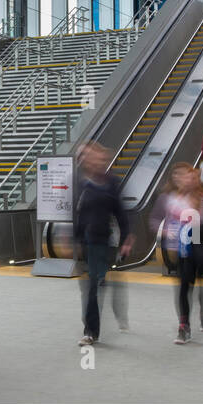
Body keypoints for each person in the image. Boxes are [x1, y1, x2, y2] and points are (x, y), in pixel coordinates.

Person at [72, 142, 132, 347]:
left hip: (101, 241)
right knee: (90, 288)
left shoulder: (111, 183)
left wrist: (126, 239)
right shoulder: (81, 184)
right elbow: (78, 214)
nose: (89, 159)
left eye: (93, 155)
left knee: (93, 287)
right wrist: (74, 239)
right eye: (85, 157)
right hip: (85, 243)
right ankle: (92, 324)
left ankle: (90, 331)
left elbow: (120, 213)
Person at [151, 162, 203, 344]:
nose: (182, 179)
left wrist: (200, 223)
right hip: (182, 250)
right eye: (178, 176)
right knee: (183, 287)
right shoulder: (170, 199)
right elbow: (155, 220)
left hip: (200, 247)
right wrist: (167, 233)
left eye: (186, 176)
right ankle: (184, 326)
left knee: (201, 283)